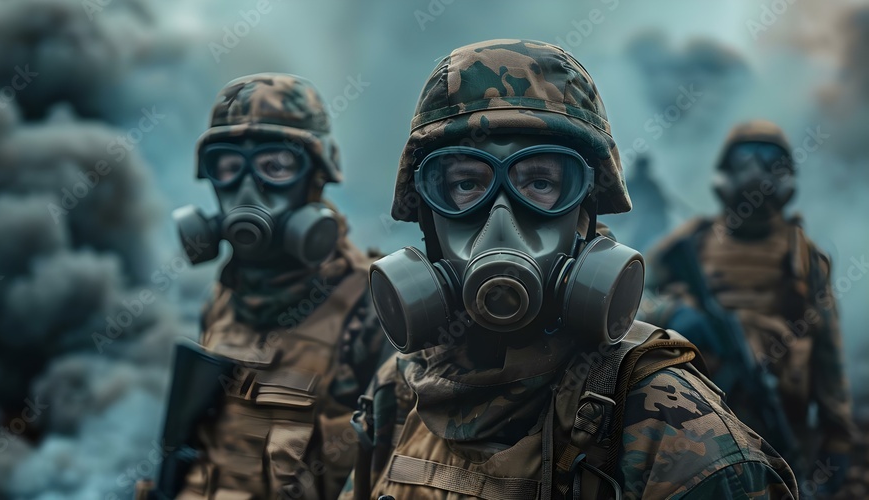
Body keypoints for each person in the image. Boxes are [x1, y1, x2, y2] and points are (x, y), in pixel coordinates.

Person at [342, 40, 798, 499]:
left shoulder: (675, 437)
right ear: (428, 215)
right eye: (466, 184)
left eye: (540, 182)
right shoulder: (403, 390)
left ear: (585, 211)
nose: (500, 220)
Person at [138, 73, 391, 500]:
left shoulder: (376, 301)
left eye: (275, 167)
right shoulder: (227, 295)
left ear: (317, 177)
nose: (247, 190)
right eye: (229, 168)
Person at [643, 119, 858, 496]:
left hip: (778, 416)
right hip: (695, 418)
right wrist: (675, 313)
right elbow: (632, 292)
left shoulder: (804, 256)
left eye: (769, 161)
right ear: (726, 170)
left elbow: (828, 354)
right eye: (745, 159)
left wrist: (838, 437)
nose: (756, 172)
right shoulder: (695, 241)